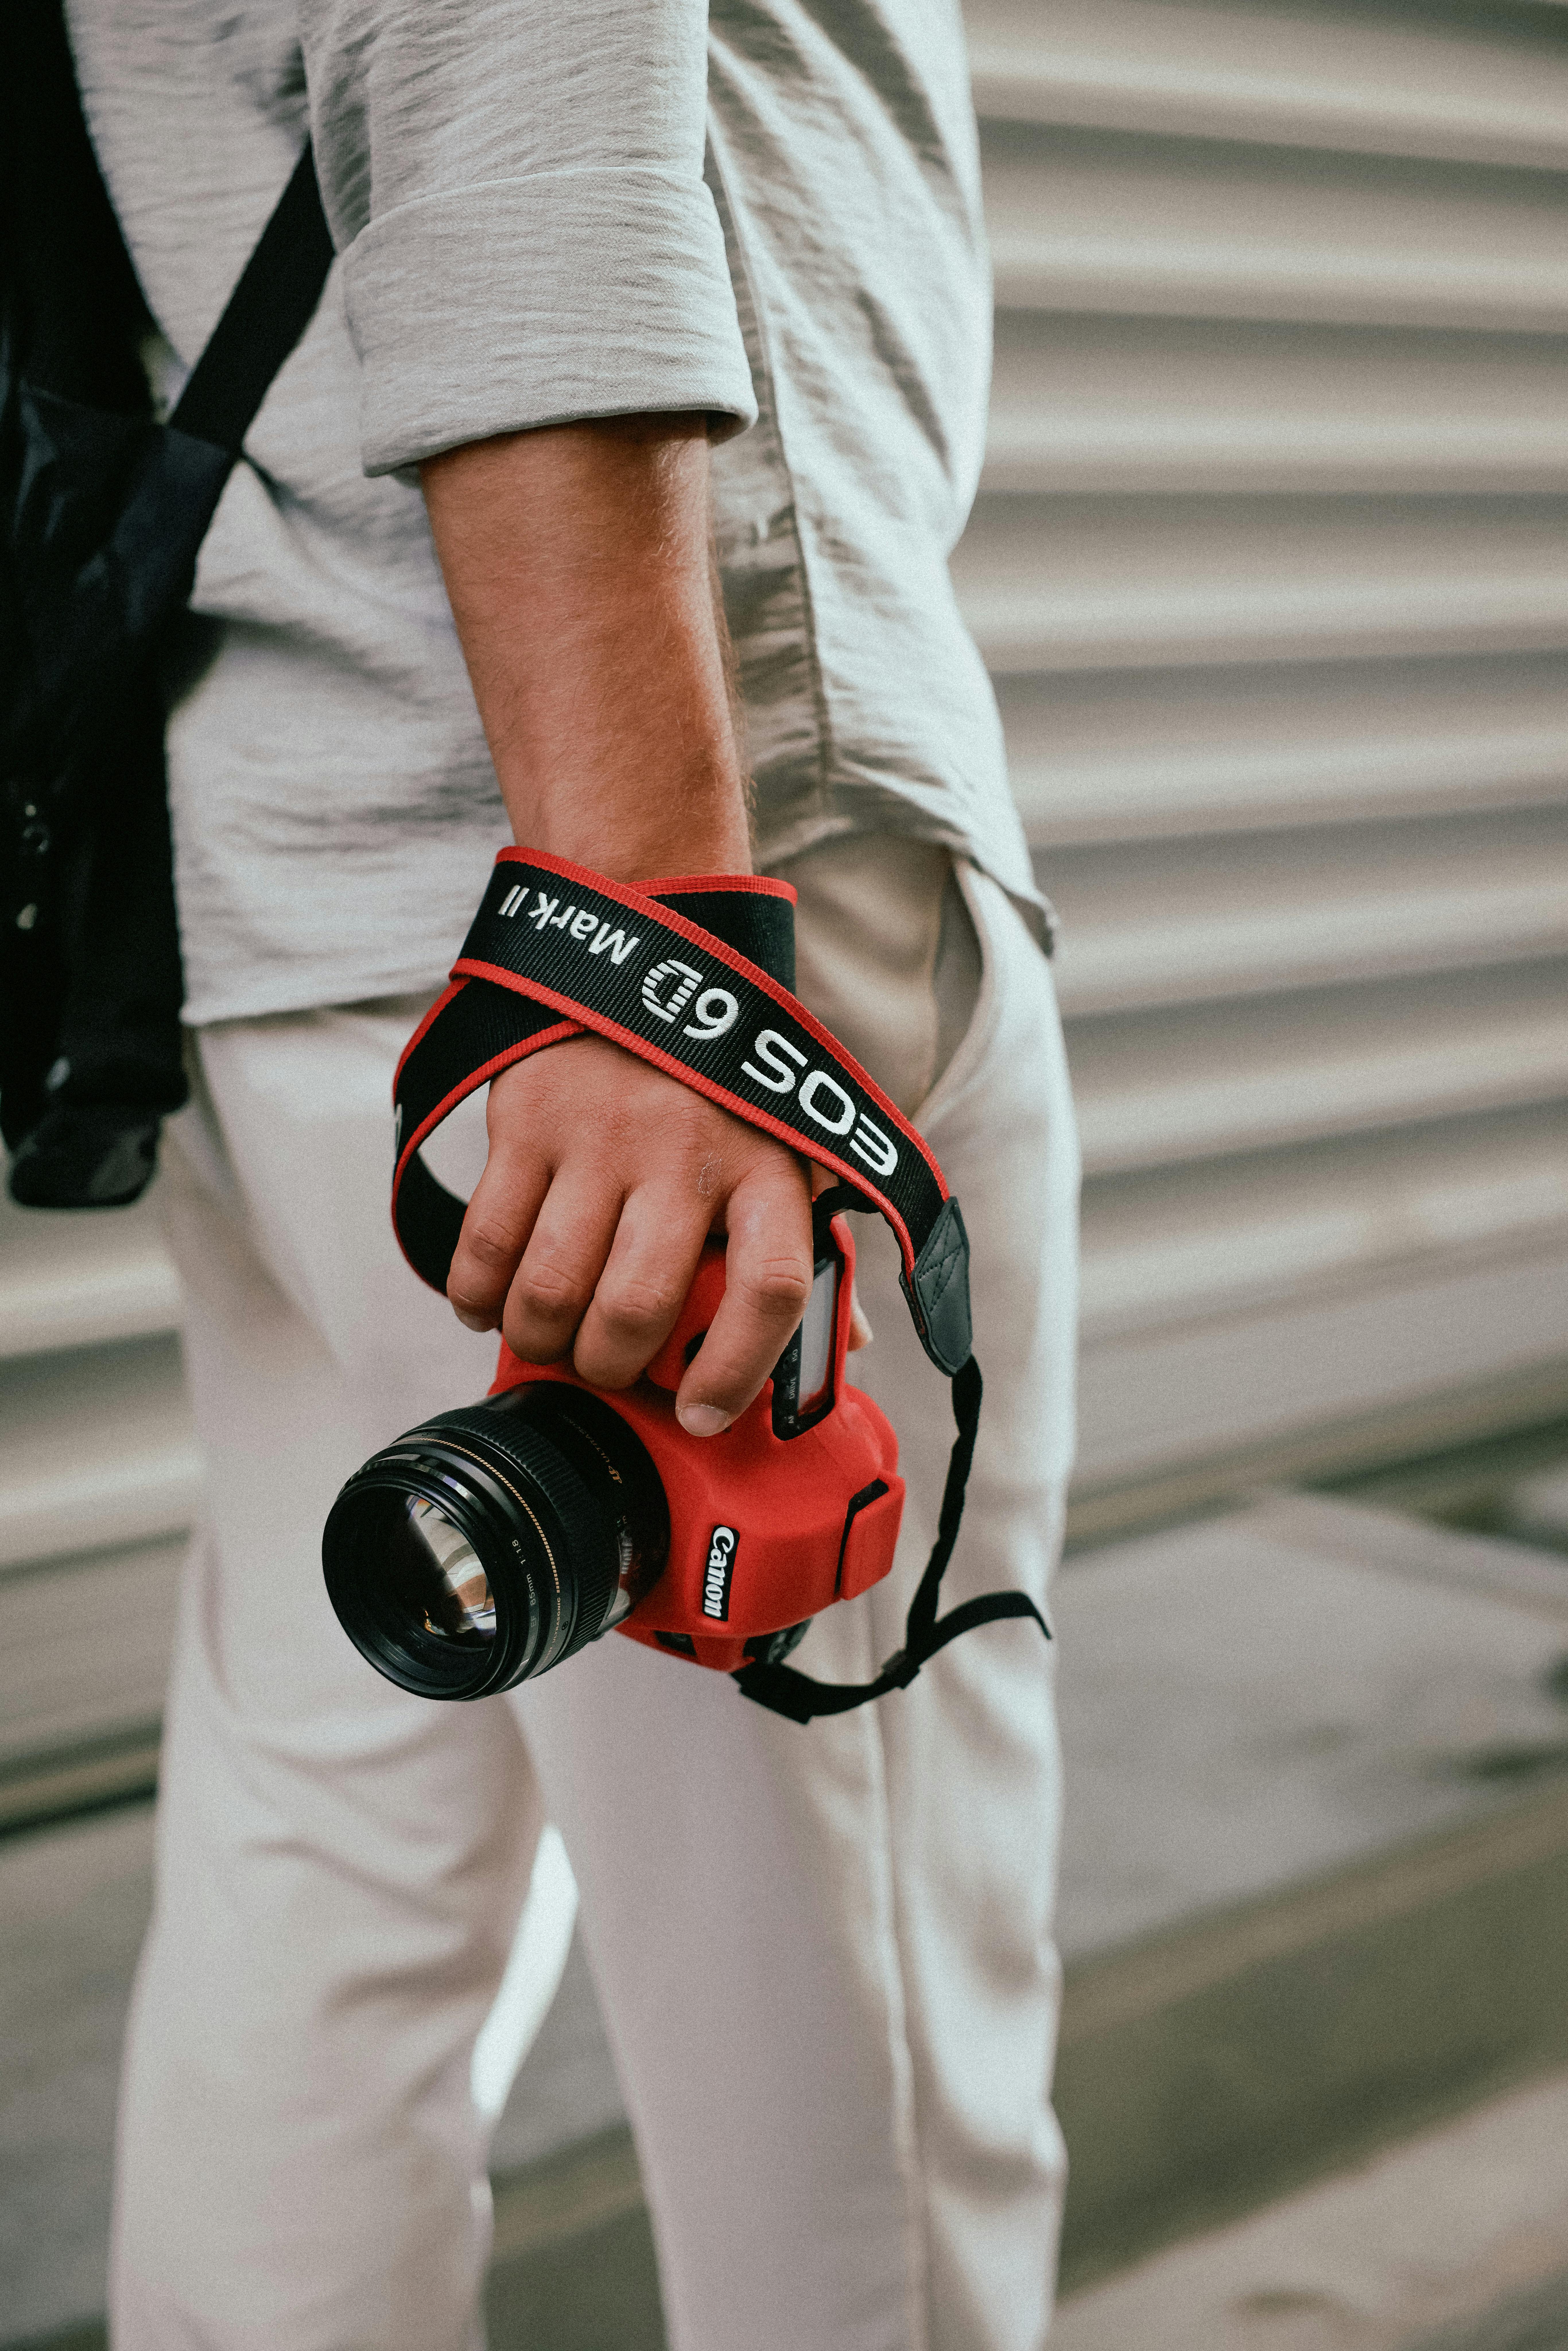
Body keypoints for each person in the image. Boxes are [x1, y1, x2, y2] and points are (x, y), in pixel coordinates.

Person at [71, 2, 1080, 2344]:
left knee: (334, 1890)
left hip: (296, 913)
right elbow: (505, 73)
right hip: (648, 901)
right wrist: (640, 933)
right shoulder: (653, 941)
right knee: (857, 2058)